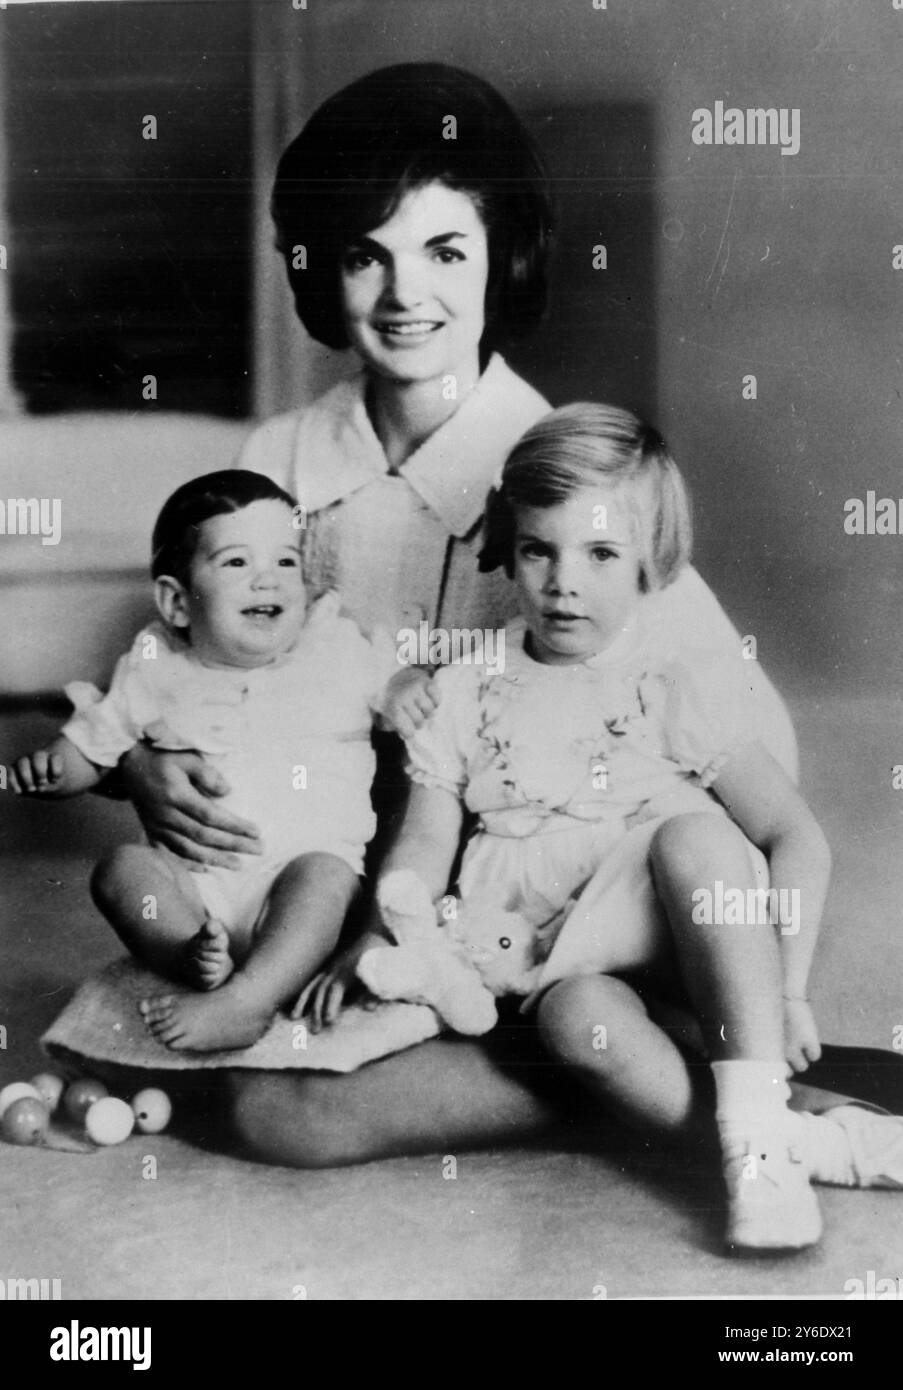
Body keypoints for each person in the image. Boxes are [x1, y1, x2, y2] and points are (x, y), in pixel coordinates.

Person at [110, 65, 893, 1181]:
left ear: (501, 264)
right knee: (260, 1103)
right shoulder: (273, 463)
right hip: (373, 897)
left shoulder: (564, 476)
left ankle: (686, 1071)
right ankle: (659, 1081)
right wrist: (140, 763)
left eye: (443, 251)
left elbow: (750, 750)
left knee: (304, 1100)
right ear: (326, 270)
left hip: (574, 908)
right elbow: (180, 663)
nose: (402, 294)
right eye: (365, 252)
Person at [357, 402, 832, 1251]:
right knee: (576, 1025)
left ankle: (762, 1139)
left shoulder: (666, 681)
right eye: (540, 549)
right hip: (547, 960)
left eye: (601, 553)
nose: (563, 581)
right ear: (511, 547)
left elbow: (794, 837)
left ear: (651, 564)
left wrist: (789, 987)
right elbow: (426, 839)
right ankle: (798, 1147)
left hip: (676, 931)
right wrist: (401, 917)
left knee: (692, 836)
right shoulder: (471, 685)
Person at [11, 469, 424, 1052]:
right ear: (177, 602)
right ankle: (190, 955)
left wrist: (407, 685)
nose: (267, 580)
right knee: (120, 871)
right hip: (196, 888)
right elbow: (99, 740)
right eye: (236, 563)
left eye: (286, 562)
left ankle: (248, 1000)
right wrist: (58, 769)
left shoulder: (335, 648)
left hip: (299, 884)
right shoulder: (157, 664)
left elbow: (394, 682)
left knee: (325, 877)